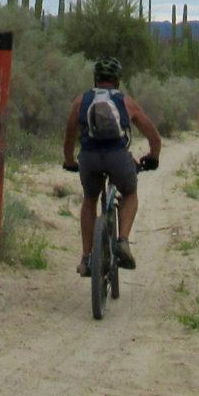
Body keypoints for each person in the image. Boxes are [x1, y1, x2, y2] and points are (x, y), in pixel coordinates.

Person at [62, 56, 162, 276]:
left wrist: (69, 161)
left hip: (89, 158)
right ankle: (123, 241)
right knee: (129, 192)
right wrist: (153, 157)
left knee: (90, 199)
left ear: (95, 78)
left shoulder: (81, 101)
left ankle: (86, 259)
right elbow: (154, 136)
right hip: (117, 156)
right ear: (117, 81)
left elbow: (69, 138)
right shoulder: (126, 102)